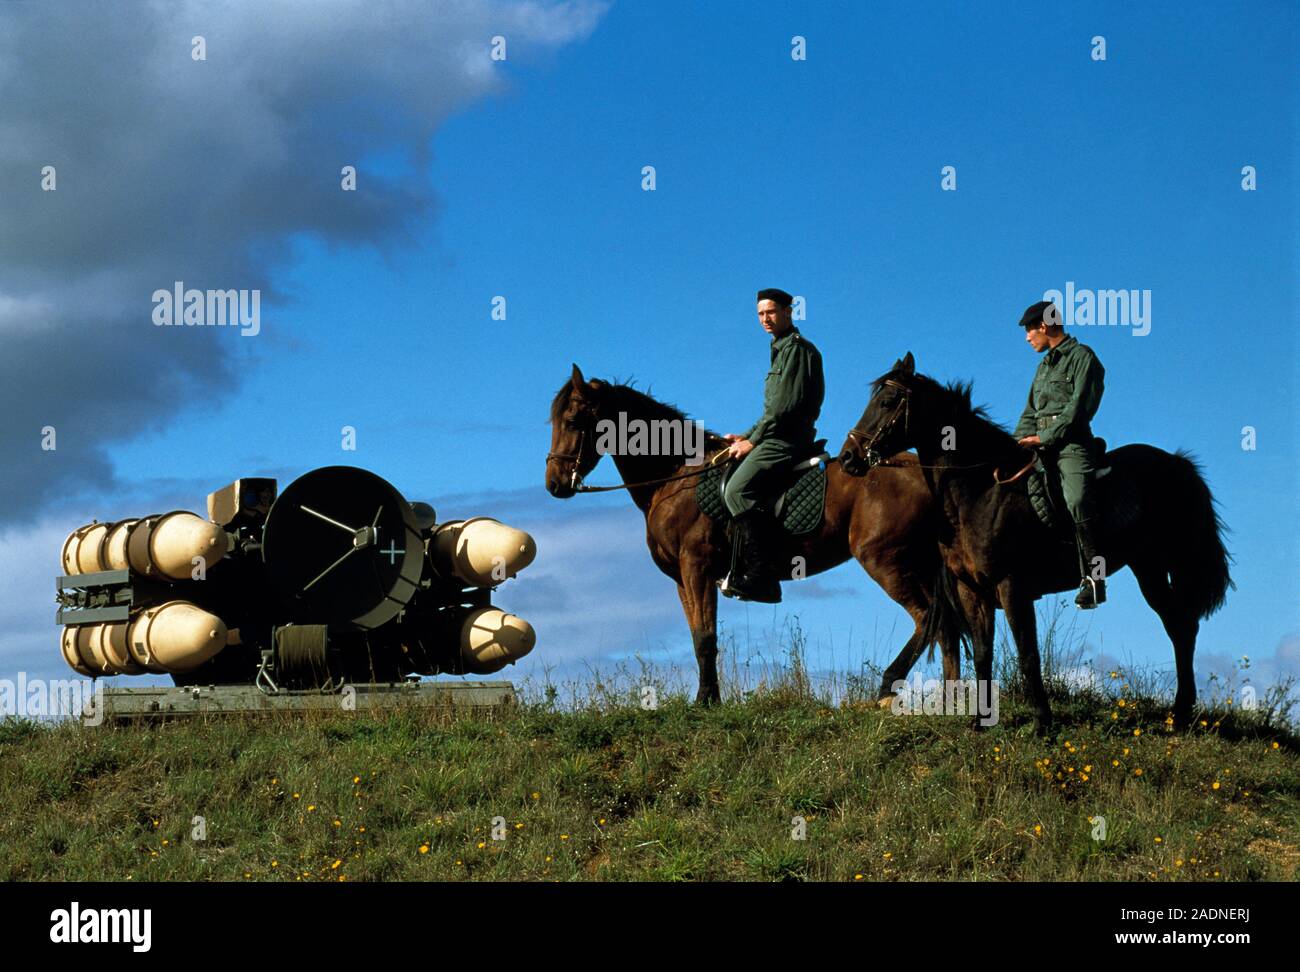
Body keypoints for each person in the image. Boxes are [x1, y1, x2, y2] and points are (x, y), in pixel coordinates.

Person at [721, 288, 824, 603]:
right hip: (776, 433)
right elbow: (772, 411)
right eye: (760, 314)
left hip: (786, 439)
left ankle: (762, 575)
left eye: (771, 312)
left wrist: (754, 440)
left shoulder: (797, 350)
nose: (765, 319)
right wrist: (747, 434)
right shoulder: (779, 349)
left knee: (736, 490)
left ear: (788, 312)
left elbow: (782, 410)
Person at [1013, 299, 1108, 608]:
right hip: (1038, 444)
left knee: (1077, 498)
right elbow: (1030, 412)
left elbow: (1079, 409)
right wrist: (1014, 444)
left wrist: (1045, 437)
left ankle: (1095, 579)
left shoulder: (1083, 358)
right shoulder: (1043, 366)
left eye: (1030, 329)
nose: (1027, 337)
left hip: (1070, 445)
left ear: (1044, 326)